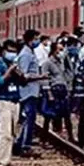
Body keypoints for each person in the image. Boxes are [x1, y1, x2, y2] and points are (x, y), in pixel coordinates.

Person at [0, 39, 23, 166]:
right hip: (2, 101)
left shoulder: (14, 64)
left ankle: (7, 159)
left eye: (15, 51)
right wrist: (9, 72)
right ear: (3, 51)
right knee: (5, 133)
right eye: (10, 51)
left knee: (13, 132)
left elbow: (22, 81)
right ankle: (1, 163)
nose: (12, 54)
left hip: (14, 100)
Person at [14, 30, 49, 158]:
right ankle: (25, 146)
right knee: (29, 119)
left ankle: (20, 144)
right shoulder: (26, 55)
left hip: (31, 91)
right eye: (36, 38)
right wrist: (41, 76)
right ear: (30, 39)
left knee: (28, 119)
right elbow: (23, 75)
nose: (38, 41)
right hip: (28, 92)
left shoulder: (29, 53)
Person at [42, 39, 74, 140]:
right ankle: (45, 137)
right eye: (59, 49)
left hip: (63, 89)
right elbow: (44, 78)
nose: (61, 52)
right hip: (54, 89)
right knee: (49, 115)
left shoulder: (61, 62)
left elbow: (70, 72)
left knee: (66, 114)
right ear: (54, 50)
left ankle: (71, 136)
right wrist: (49, 93)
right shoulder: (47, 63)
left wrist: (67, 58)